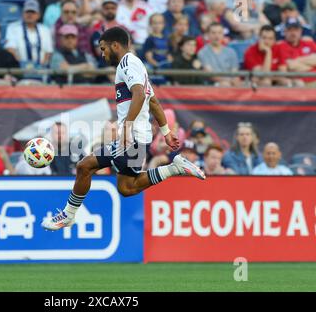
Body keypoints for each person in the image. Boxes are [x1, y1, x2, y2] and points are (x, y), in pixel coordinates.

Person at [41, 26, 206, 231]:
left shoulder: (127, 62)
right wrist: (166, 132)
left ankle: (68, 214)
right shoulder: (137, 65)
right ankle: (174, 168)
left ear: (115, 45)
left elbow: (139, 94)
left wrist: (127, 127)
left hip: (133, 136)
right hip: (139, 136)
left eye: (103, 48)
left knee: (85, 166)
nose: (102, 53)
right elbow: (152, 100)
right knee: (127, 187)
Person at [5, 0, 53, 69]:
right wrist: (22, 65)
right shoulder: (13, 28)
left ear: (38, 15)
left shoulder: (45, 30)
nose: (30, 14)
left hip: (40, 70)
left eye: (33, 12)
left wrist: (41, 67)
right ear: (23, 13)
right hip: (20, 69)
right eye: (27, 12)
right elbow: (10, 49)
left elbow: (48, 52)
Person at [197, 22, 242, 87]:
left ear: (223, 34)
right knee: (225, 84)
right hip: (211, 85)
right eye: (213, 33)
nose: (217, 36)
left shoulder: (231, 51)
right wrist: (228, 81)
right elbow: (210, 74)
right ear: (208, 35)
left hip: (230, 82)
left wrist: (234, 81)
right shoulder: (202, 52)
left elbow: (234, 72)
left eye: (219, 33)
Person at [276, 18, 316, 86]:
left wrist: (295, 62)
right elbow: (285, 69)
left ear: (300, 31)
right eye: (290, 30)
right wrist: (309, 62)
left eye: (296, 30)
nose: (293, 33)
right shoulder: (280, 46)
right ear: (285, 32)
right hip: (297, 83)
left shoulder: (309, 43)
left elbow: (291, 65)